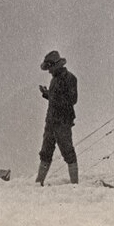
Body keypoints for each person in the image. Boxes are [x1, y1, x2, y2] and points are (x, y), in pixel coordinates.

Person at [35, 50, 79, 185]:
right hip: (51, 122)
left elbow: (72, 100)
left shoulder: (70, 78)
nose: (48, 71)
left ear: (56, 66)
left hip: (62, 123)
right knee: (45, 152)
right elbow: (58, 99)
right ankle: (39, 182)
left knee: (68, 153)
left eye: (49, 68)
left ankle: (75, 184)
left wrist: (54, 97)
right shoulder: (55, 78)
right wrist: (47, 94)